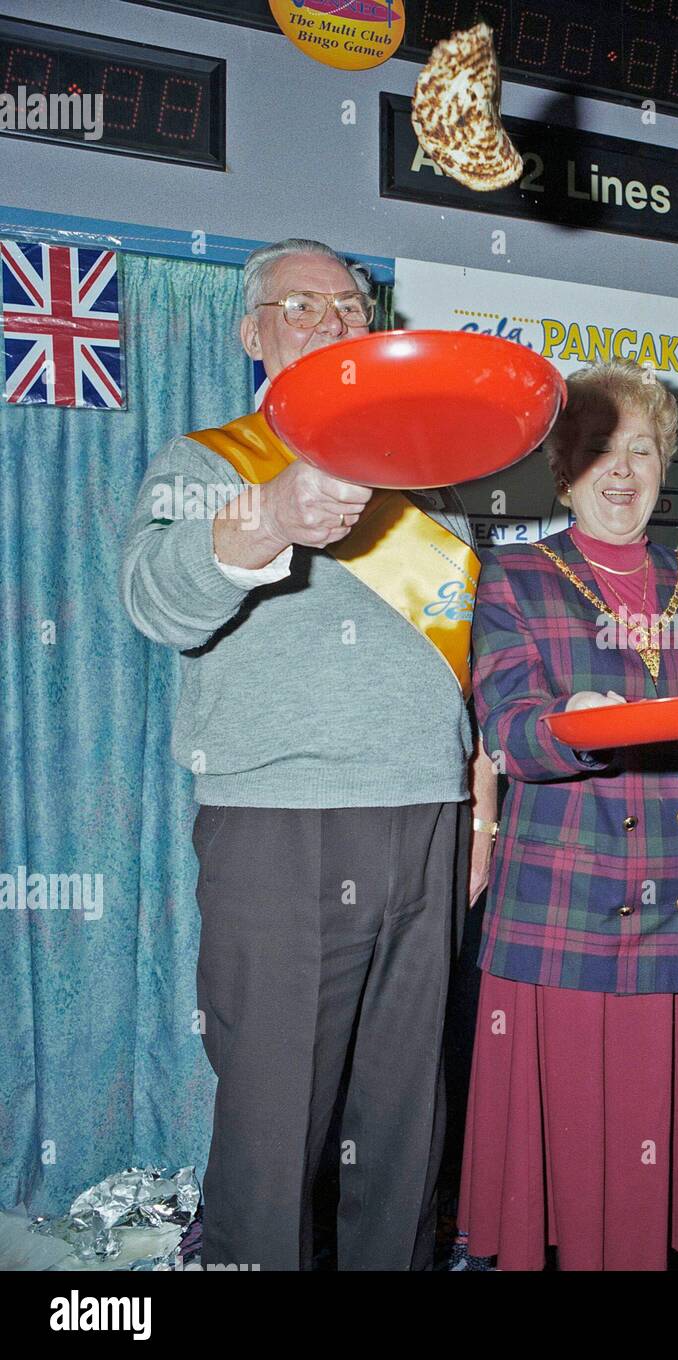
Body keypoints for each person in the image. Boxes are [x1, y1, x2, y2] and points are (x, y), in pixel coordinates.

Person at [119, 238, 497, 1270]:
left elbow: (472, 665)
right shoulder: (209, 461)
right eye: (302, 306)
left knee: (405, 1122)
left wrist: (482, 807)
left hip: (429, 820)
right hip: (279, 830)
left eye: (350, 305)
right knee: (273, 1128)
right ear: (253, 334)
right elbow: (154, 599)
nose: (333, 321)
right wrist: (271, 517)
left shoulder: (434, 486)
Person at [458, 360, 678, 1270]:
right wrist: (577, 728)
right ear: (564, 469)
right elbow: (512, 734)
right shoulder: (516, 578)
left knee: (660, 1146)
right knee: (565, 1152)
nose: (623, 469)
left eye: (643, 449)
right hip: (563, 906)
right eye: (601, 448)